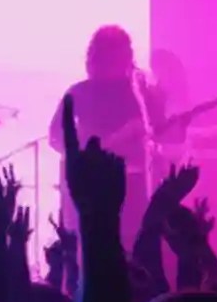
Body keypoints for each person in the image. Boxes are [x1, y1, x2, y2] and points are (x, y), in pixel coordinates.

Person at [49, 26, 165, 243]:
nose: (116, 64)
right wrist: (109, 143)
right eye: (110, 57)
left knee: (129, 245)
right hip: (92, 189)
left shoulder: (141, 93)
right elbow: (55, 138)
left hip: (133, 187)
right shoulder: (79, 93)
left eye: (120, 56)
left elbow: (162, 135)